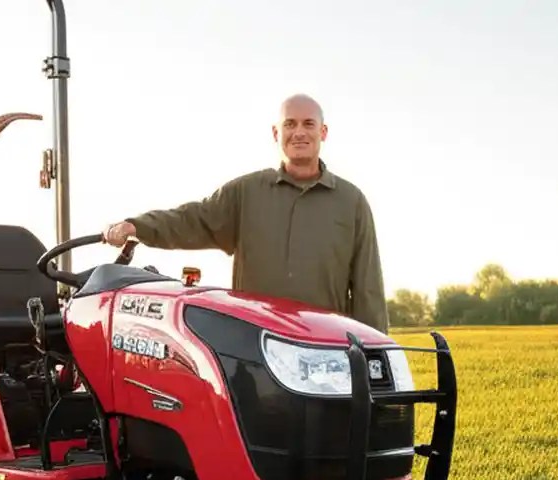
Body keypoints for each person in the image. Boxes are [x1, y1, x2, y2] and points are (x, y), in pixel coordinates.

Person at [101, 93, 389, 333]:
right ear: (276, 133)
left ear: (322, 132)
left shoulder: (351, 202)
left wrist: (380, 369)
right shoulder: (246, 193)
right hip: (255, 350)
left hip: (327, 350)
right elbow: (193, 219)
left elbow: (368, 292)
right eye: (289, 124)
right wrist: (137, 226)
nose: (299, 132)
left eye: (308, 124)